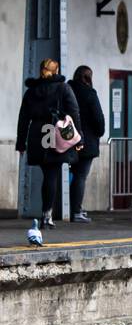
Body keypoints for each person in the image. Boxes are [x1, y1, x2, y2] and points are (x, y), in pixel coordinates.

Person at [16, 58, 82, 228]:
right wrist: (78, 138)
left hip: (38, 133)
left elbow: (23, 118)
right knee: (51, 175)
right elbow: (74, 112)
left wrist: (21, 143)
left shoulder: (31, 91)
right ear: (56, 70)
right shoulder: (63, 88)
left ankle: (45, 213)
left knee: (47, 174)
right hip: (56, 132)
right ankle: (47, 215)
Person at [67, 65, 104, 223]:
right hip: (86, 142)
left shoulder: (66, 90)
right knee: (80, 176)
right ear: (88, 78)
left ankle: (62, 209)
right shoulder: (89, 93)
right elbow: (98, 119)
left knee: (63, 174)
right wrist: (99, 132)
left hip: (66, 139)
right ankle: (76, 211)